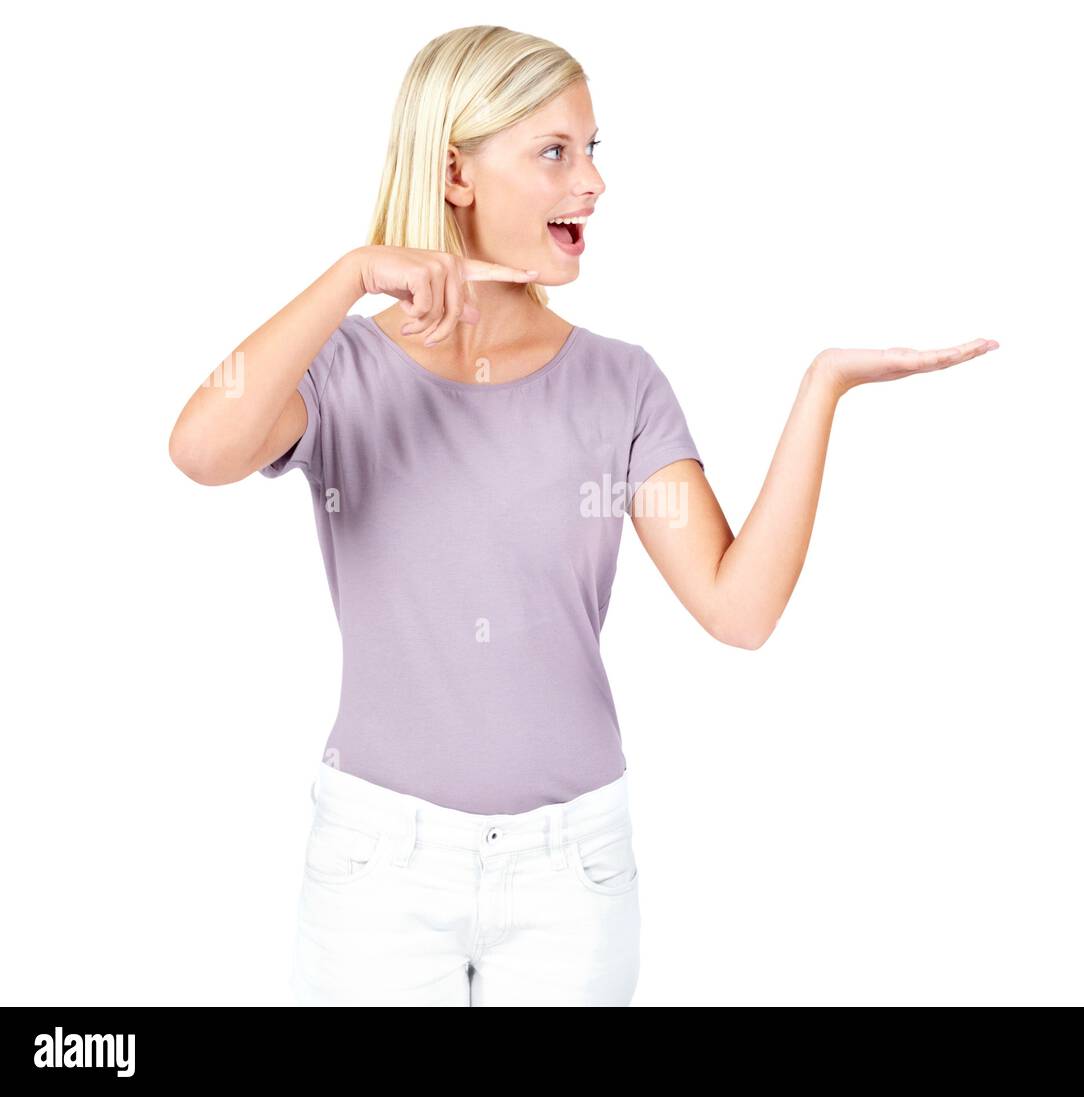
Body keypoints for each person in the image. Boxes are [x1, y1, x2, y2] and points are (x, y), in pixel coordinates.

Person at [167, 24, 999, 1007]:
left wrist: (823, 387)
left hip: (574, 874)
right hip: (376, 870)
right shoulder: (346, 371)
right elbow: (201, 449)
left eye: (593, 150)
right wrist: (352, 275)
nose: (593, 183)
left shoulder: (620, 382)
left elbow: (739, 610)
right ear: (456, 174)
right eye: (554, 152)